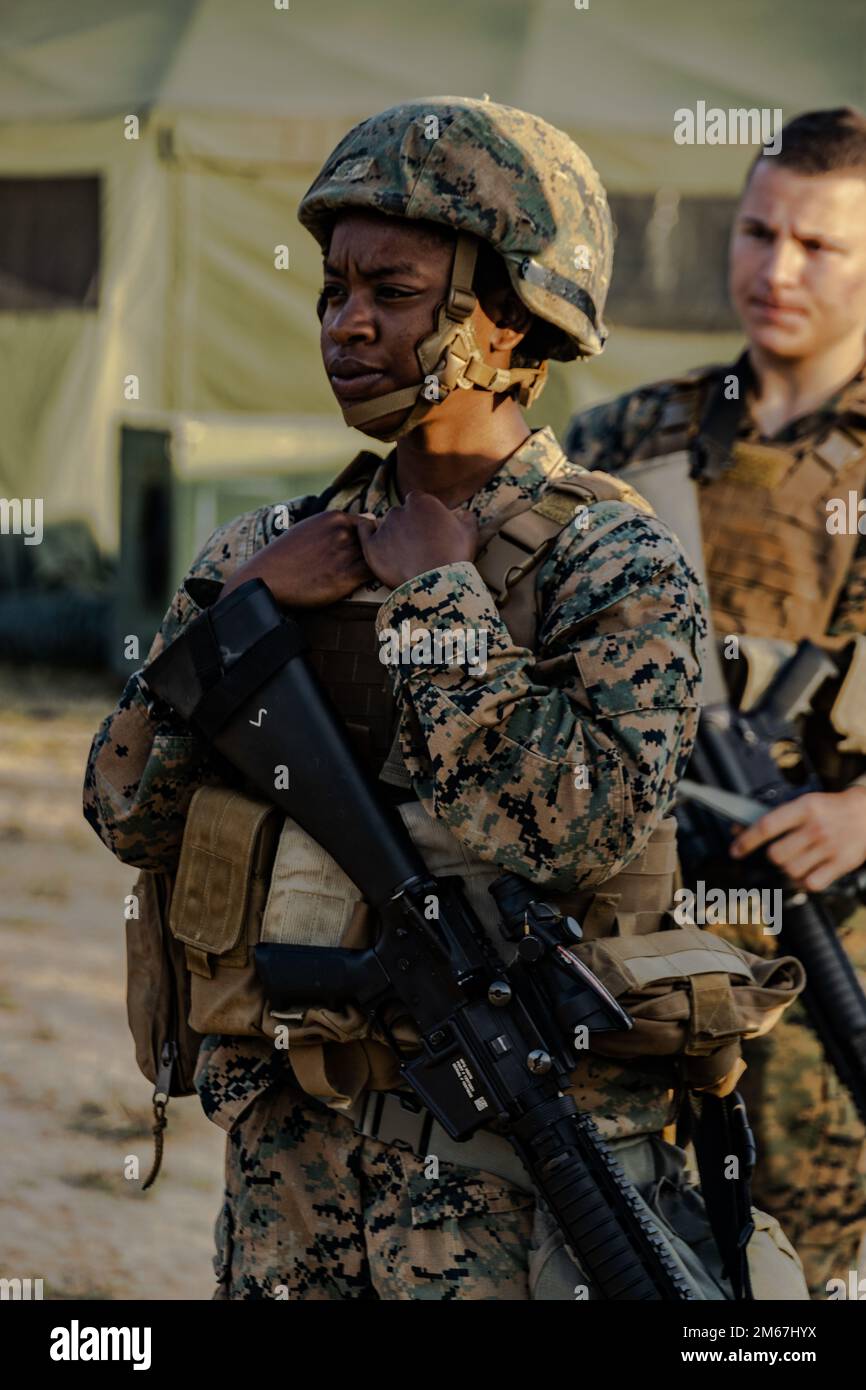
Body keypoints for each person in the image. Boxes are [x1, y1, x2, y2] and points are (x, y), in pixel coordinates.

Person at [84, 97, 806, 1300]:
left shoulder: (612, 565)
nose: (345, 323)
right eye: (332, 288)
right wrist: (237, 620)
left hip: (507, 1207)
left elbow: (575, 827)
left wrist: (437, 606)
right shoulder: (263, 554)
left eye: (394, 291)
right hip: (289, 1198)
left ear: (512, 314)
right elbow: (125, 814)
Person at [566, 106, 866, 1298]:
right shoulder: (630, 434)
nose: (773, 270)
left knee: (791, 1286)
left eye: (817, 246)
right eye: (755, 232)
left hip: (820, 971)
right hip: (635, 956)